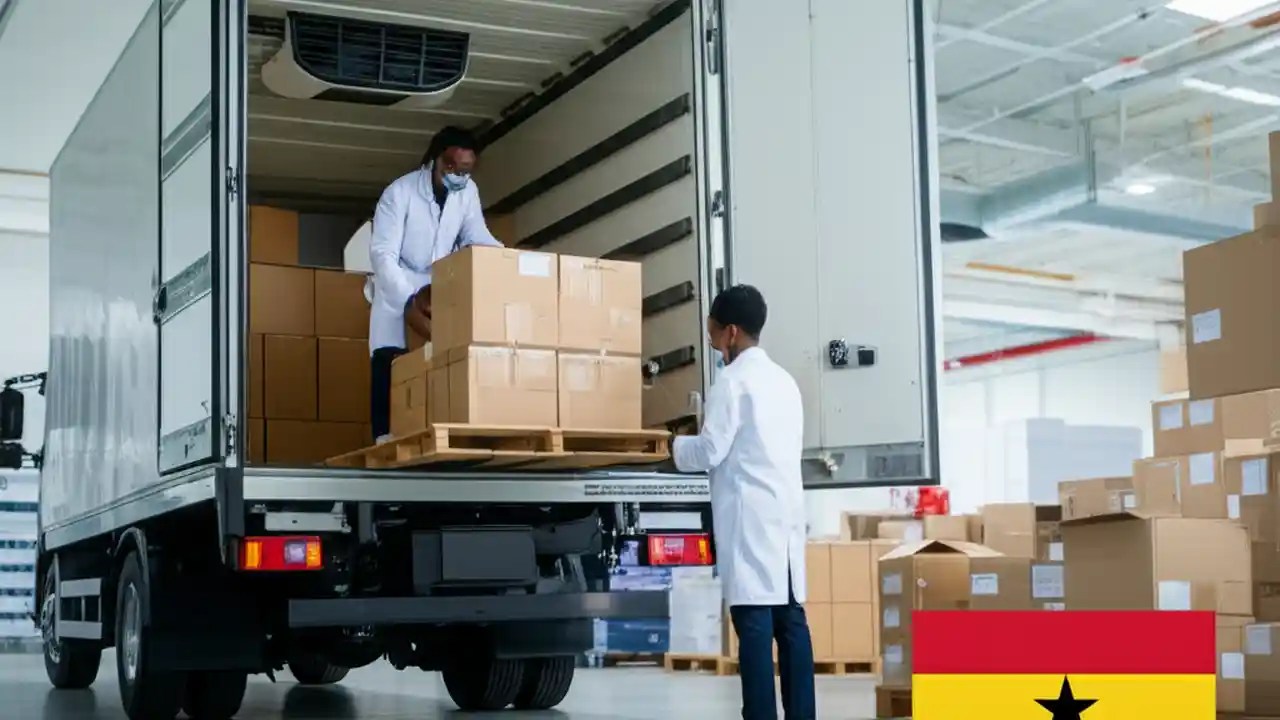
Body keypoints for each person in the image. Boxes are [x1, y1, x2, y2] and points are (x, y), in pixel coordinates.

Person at [672, 285, 815, 720]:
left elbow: (711, 450)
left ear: (731, 332)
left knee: (753, 633)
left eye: (713, 332)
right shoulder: (785, 381)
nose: (713, 341)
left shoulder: (732, 382)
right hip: (785, 523)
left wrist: (673, 445)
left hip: (751, 524)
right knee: (792, 629)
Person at [367, 126, 503, 441]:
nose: (458, 175)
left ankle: (435, 432)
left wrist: (505, 260)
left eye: (466, 170)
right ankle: (385, 437)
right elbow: (383, 253)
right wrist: (409, 299)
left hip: (437, 282)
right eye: (451, 167)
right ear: (435, 161)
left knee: (442, 360)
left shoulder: (468, 193)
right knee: (390, 358)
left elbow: (475, 235)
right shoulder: (399, 192)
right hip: (398, 282)